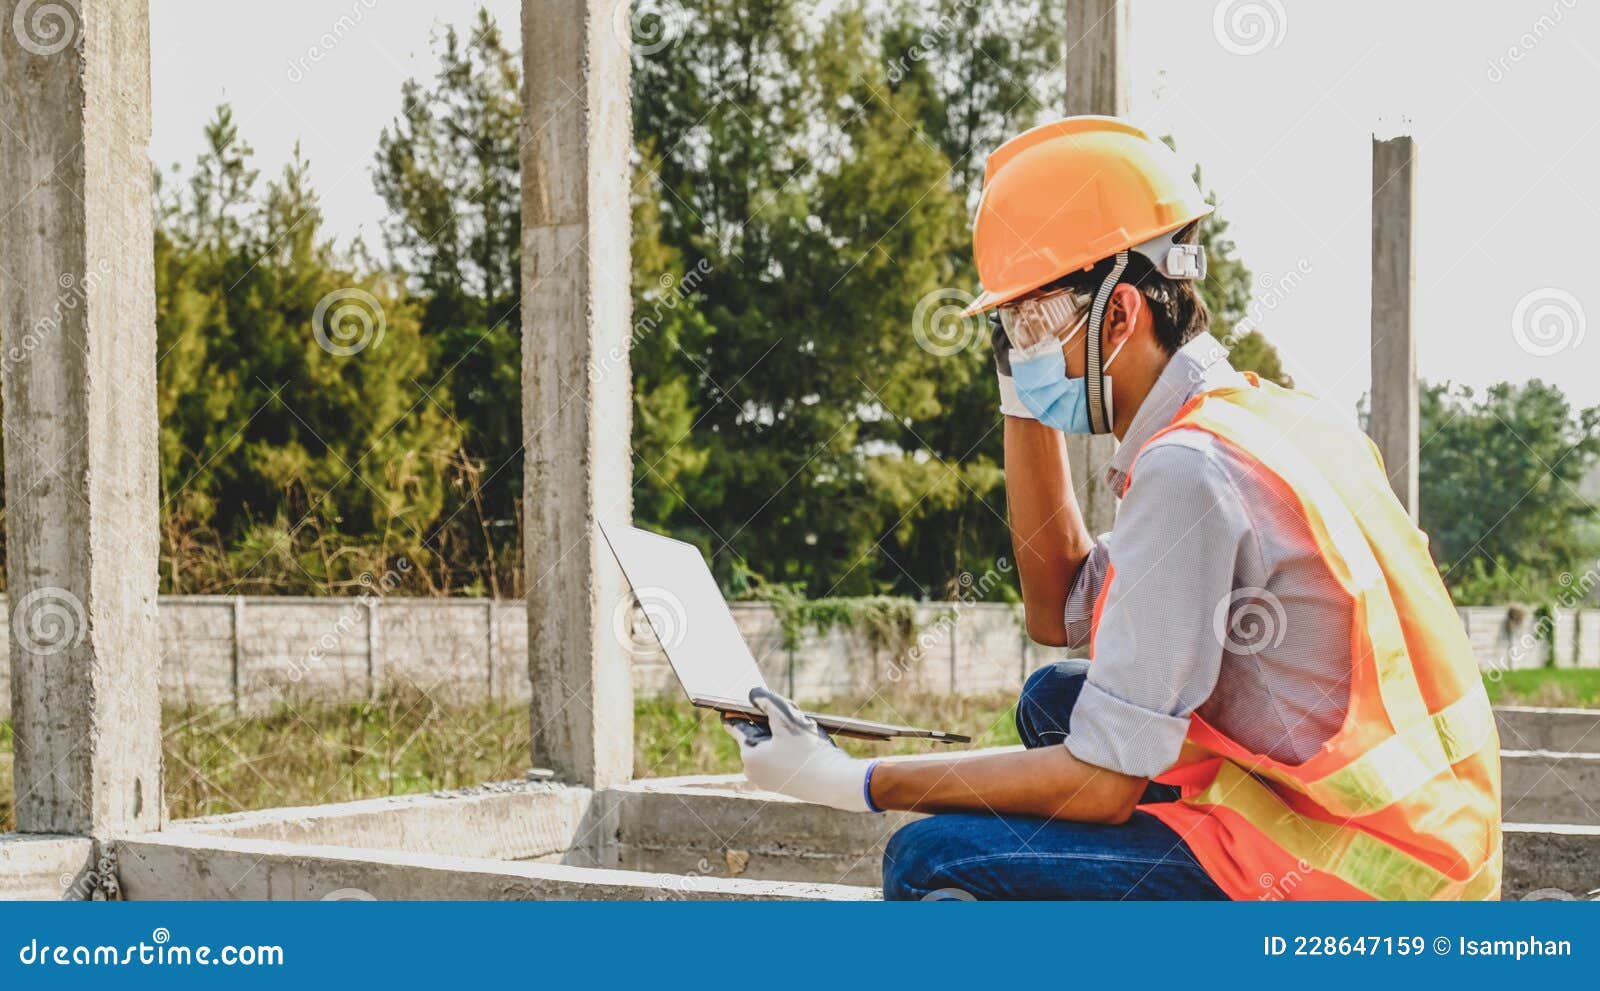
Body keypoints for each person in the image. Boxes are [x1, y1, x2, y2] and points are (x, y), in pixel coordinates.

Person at [727, 116, 1501, 901]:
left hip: (1356, 883)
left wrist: (850, 778)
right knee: (1054, 700)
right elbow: (1057, 604)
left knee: (929, 858)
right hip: (1428, 844)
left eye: (1033, 324)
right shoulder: (1270, 421)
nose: (1022, 352)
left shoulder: (1189, 469)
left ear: (1122, 315)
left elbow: (1102, 784)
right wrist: (1020, 390)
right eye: (1008, 331)